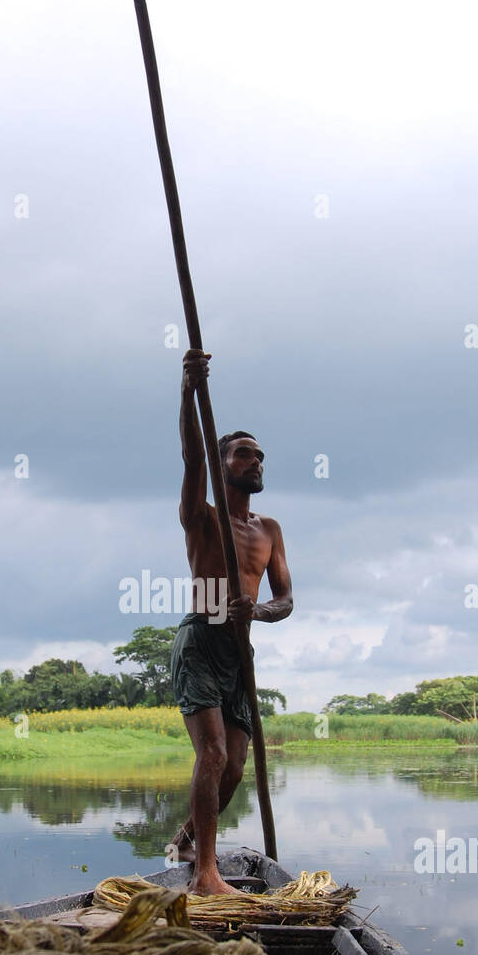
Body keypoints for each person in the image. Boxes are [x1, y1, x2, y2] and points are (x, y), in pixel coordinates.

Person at [168, 348, 293, 895]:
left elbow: (286, 598)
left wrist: (260, 611)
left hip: (239, 649)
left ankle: (188, 839)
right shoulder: (202, 516)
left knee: (235, 769)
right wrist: (189, 391)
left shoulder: (269, 528)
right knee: (213, 754)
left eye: (260, 456)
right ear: (224, 465)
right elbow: (192, 457)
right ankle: (206, 874)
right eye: (244, 455)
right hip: (201, 636)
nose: (256, 462)